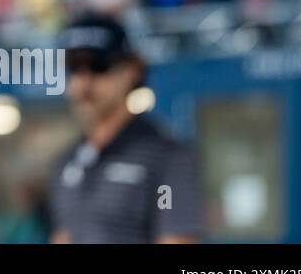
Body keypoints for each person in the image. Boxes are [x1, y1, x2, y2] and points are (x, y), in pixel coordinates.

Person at [49, 14, 203, 243]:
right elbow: (64, 235)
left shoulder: (167, 158)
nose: (84, 82)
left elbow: (177, 238)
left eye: (98, 66)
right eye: (73, 68)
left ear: (132, 69)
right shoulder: (67, 161)